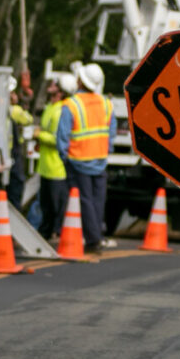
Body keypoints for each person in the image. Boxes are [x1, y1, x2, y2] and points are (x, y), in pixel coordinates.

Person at [56, 62, 116, 254]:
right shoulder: (107, 103)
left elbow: (63, 135)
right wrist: (106, 150)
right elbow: (111, 133)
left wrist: (63, 155)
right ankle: (96, 234)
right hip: (99, 159)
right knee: (98, 200)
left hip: (78, 159)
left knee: (85, 200)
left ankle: (93, 239)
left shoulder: (72, 104)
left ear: (81, 80)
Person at [35, 73, 75, 241]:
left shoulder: (60, 110)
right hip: (45, 166)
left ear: (61, 92)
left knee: (55, 205)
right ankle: (45, 232)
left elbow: (59, 139)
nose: (50, 87)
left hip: (56, 168)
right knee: (45, 204)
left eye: (54, 86)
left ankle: (56, 232)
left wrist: (39, 135)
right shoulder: (49, 107)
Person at [6, 75, 34, 210]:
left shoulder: (2, 108)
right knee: (17, 183)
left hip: (3, 151)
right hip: (12, 153)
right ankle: (15, 211)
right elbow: (28, 119)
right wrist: (17, 104)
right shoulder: (15, 110)